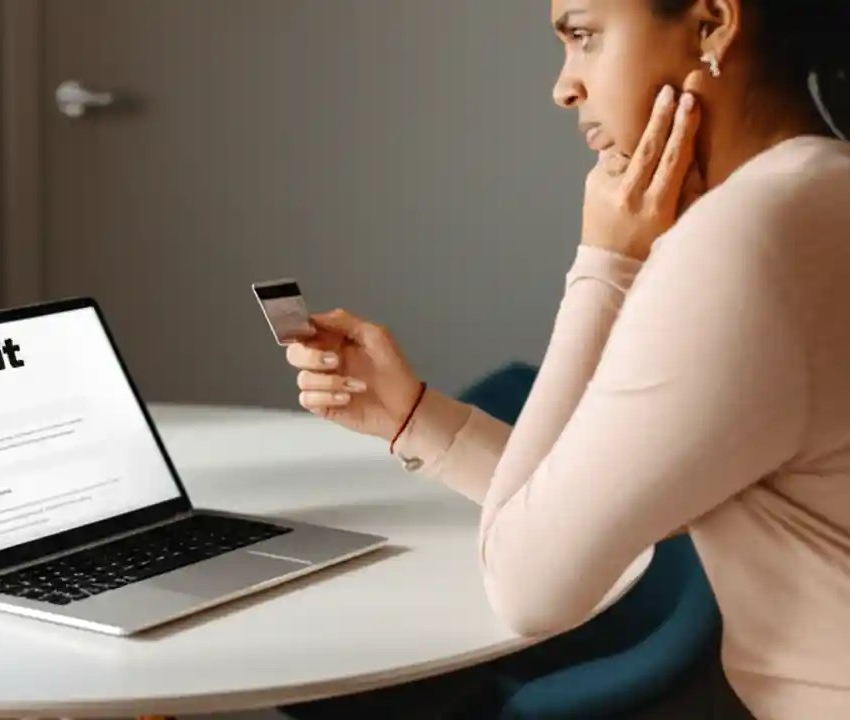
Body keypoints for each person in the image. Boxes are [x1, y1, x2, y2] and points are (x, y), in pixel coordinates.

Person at [280, 0, 850, 718]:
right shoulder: (823, 190)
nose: (564, 87)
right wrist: (416, 418)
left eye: (583, 37)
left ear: (712, 26)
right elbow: (623, 506)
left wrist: (605, 265)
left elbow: (529, 588)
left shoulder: (745, 238)